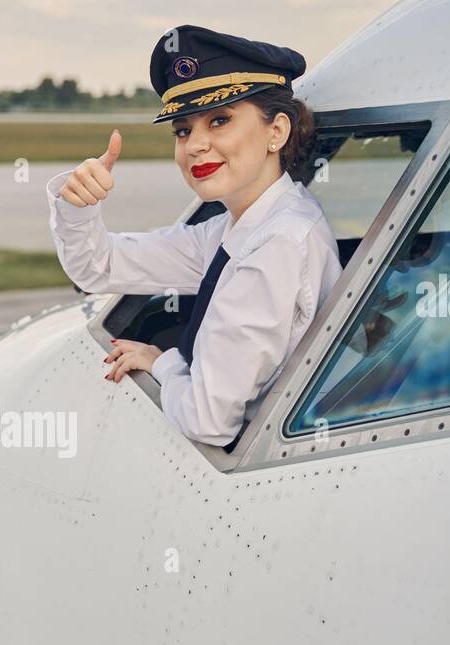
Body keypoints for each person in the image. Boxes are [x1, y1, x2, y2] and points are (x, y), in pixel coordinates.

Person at [45, 24, 343, 451]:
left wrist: (164, 364)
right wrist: (78, 207)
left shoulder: (275, 246)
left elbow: (208, 422)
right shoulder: (239, 228)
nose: (195, 146)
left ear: (276, 131)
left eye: (219, 120)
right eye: (183, 130)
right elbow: (100, 267)